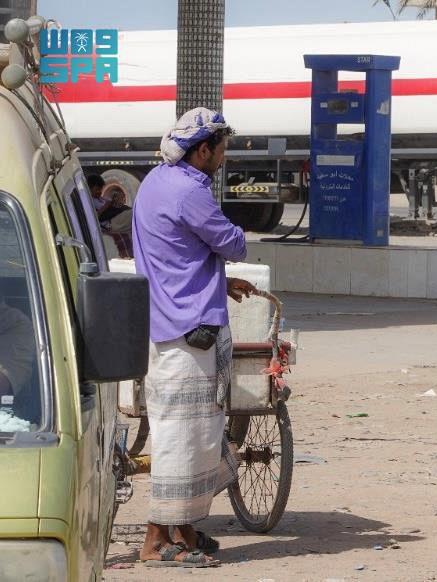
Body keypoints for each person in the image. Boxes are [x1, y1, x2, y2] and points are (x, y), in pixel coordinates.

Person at [132, 107, 257, 567]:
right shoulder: (189, 192)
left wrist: (220, 282)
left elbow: (174, 258)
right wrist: (228, 256)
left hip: (169, 322)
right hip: (188, 332)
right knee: (182, 438)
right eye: (221, 151)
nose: (223, 159)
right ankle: (154, 541)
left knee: (195, 433)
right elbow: (233, 244)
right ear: (202, 150)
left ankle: (182, 531)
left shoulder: (157, 182)